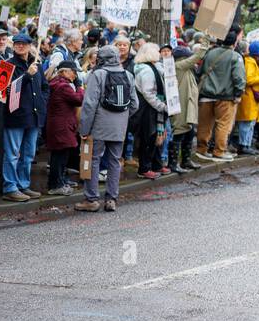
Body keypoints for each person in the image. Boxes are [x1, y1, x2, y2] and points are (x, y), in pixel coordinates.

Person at [77, 44, 140, 212]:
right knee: (114, 161)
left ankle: (91, 199)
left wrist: (84, 129)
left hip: (98, 125)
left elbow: (89, 105)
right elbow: (135, 105)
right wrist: (122, 118)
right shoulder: (128, 74)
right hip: (119, 127)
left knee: (92, 160)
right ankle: (111, 199)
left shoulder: (97, 74)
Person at [0, 33, 48, 201]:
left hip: (34, 116)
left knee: (28, 154)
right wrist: (27, 75)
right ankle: (10, 187)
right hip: (15, 116)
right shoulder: (6, 66)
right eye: (17, 44)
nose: (20, 46)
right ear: (13, 46)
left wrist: (43, 103)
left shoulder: (37, 65)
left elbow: (44, 88)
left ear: (29, 45)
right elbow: (3, 91)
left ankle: (23, 184)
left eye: (23, 44)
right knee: (12, 154)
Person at [195, 31, 245, 161]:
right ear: (235, 42)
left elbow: (200, 72)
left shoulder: (210, 53)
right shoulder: (235, 56)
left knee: (204, 124)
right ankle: (219, 151)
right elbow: (239, 78)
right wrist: (238, 94)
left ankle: (201, 149)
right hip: (226, 97)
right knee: (223, 124)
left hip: (206, 94)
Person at [45, 61, 84, 194]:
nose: (75, 75)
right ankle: (55, 185)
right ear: (65, 71)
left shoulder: (58, 83)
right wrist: (80, 87)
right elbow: (78, 100)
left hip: (59, 125)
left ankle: (60, 181)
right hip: (61, 126)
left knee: (61, 155)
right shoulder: (63, 86)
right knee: (59, 156)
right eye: (74, 71)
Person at [132, 42, 168, 178]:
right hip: (148, 109)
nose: (159, 54)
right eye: (157, 51)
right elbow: (148, 93)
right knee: (149, 137)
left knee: (157, 136)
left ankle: (156, 165)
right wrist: (162, 106)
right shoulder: (146, 70)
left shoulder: (152, 67)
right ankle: (144, 168)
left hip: (152, 108)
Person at [170, 40, 206, 171]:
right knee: (179, 133)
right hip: (181, 106)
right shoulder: (179, 66)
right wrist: (205, 40)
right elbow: (197, 57)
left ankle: (186, 160)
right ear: (183, 59)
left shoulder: (188, 70)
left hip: (188, 106)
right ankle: (173, 164)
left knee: (189, 133)